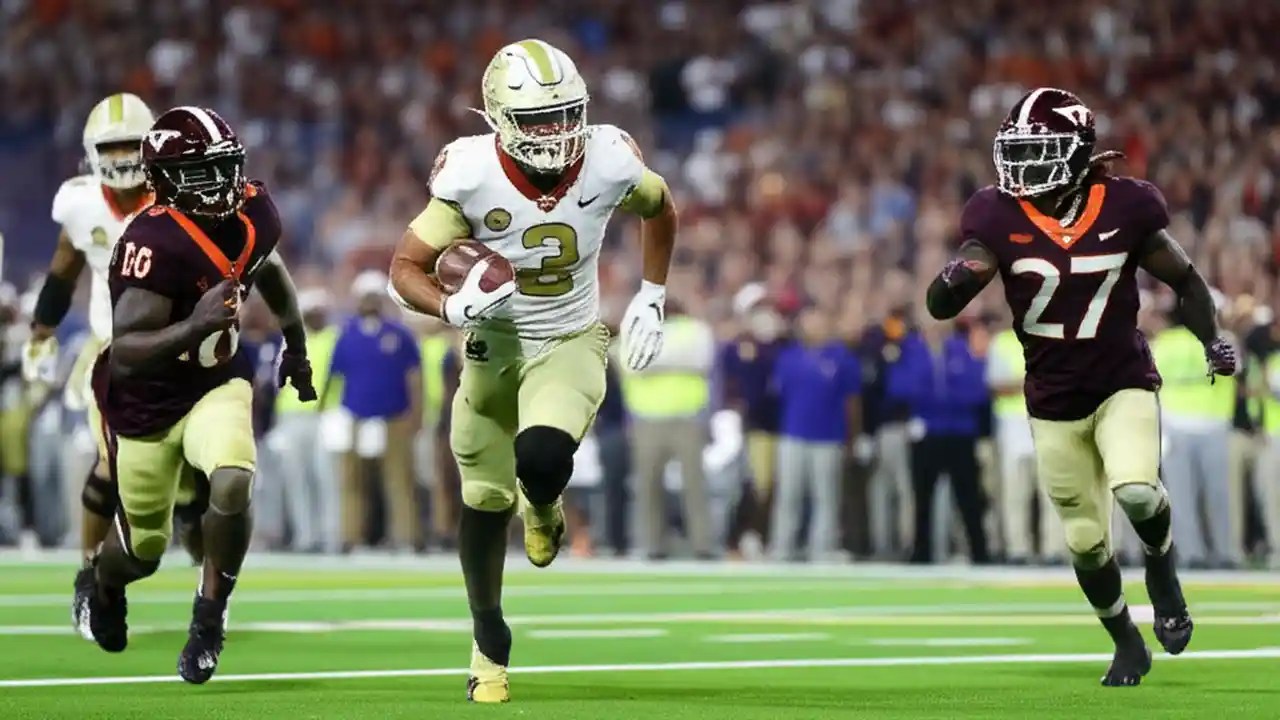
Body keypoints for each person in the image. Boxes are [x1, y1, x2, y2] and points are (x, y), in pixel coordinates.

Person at [387, 39, 676, 704]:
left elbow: (661, 209)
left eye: (564, 115)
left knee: (541, 454)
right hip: (492, 348)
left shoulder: (608, 160)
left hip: (570, 339)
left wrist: (652, 294)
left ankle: (543, 504)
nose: (554, 133)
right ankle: (489, 640)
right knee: (484, 501)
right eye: (538, 120)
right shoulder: (468, 173)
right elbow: (404, 268)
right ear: (498, 118)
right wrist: (450, 303)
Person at [925, 87, 1235, 686]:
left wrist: (1211, 339)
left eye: (1039, 150)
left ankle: (1162, 569)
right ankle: (1126, 642)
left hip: (1122, 382)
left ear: (1075, 151)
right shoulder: (995, 214)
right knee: (1087, 541)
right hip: (1052, 400)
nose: (1023, 165)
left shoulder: (1126, 206)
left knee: (1138, 490)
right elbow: (946, 298)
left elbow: (1188, 282)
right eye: (1017, 150)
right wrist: (956, 278)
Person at [73, 106, 316, 685]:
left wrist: (296, 345)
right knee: (141, 552)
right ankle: (102, 583)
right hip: (146, 403)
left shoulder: (255, 209)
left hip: (216, 383)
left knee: (233, 478)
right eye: (201, 174)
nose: (221, 185)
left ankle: (209, 616)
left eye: (225, 167)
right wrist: (194, 326)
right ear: (165, 185)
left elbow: (271, 270)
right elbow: (126, 351)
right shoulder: (149, 241)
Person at [22, 94, 157, 574]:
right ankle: (90, 570)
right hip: (112, 349)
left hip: (175, 346)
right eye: (111, 148)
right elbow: (63, 274)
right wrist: (41, 333)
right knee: (110, 461)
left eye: (129, 146)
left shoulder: (176, 199)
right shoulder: (80, 204)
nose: (121, 158)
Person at [326, 270, 422, 552]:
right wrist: (331, 416)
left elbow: (414, 377)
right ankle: (351, 536)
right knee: (353, 481)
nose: (370, 301)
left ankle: (407, 536)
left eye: (374, 296)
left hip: (394, 416)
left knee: (399, 480)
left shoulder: (400, 334)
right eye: (366, 296)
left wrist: (415, 415)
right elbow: (335, 377)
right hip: (355, 416)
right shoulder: (346, 334)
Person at [770, 306, 861, 562]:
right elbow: (780, 395)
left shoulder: (842, 358)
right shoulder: (788, 358)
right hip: (793, 434)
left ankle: (822, 548)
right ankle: (783, 546)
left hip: (828, 437)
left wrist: (852, 438)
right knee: (789, 495)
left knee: (826, 497)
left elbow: (852, 403)